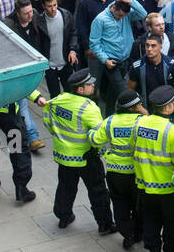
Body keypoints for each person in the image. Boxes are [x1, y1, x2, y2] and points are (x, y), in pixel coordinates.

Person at [31, 69, 115, 231]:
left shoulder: (59, 100)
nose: (93, 85)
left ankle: (64, 216)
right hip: (86, 157)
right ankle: (105, 224)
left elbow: (48, 121)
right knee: (97, 191)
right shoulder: (89, 107)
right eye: (89, 84)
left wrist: (59, 137)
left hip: (64, 156)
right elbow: (100, 135)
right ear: (80, 89)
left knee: (65, 187)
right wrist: (99, 150)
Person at [134, 85, 174, 252]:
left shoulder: (140, 123)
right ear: (168, 106)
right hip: (168, 188)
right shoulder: (173, 131)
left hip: (145, 185)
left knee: (151, 219)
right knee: (172, 223)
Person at [91, 89, 146, 249]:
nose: (142, 106)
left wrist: (92, 137)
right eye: (139, 104)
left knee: (120, 204)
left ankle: (127, 234)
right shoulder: (142, 121)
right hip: (136, 173)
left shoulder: (110, 121)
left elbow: (95, 140)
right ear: (132, 107)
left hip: (115, 173)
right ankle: (138, 233)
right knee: (138, 205)